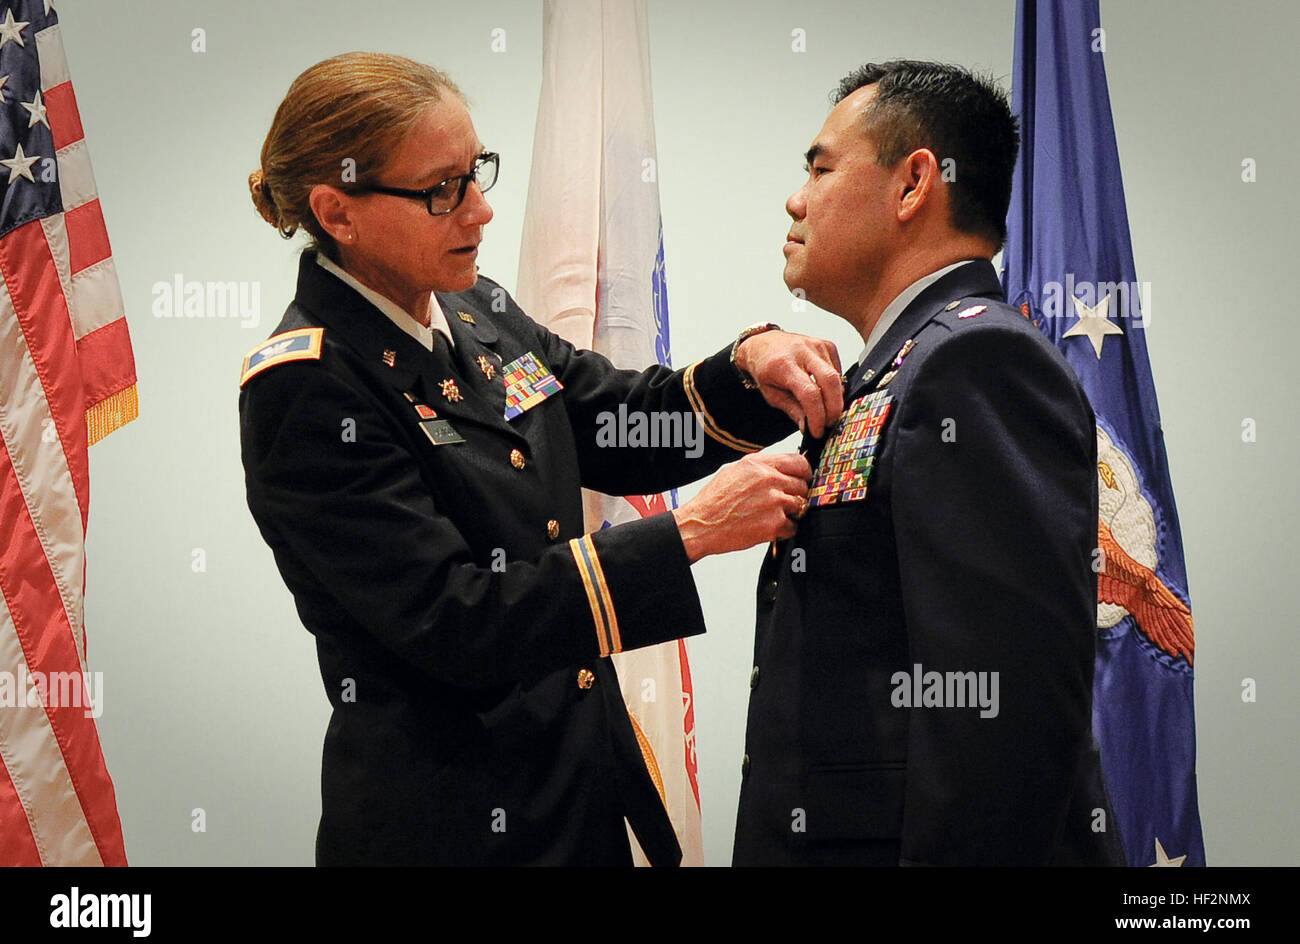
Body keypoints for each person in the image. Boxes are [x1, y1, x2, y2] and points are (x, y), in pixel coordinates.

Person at [239, 52, 843, 866]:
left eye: (477, 171)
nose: (481, 211)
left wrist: (749, 369)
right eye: (441, 189)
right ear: (336, 212)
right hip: (450, 825)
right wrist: (687, 535)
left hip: (578, 792)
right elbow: (459, 618)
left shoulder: (473, 308)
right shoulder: (308, 383)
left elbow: (621, 420)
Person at [732, 60, 1128, 866]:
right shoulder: (895, 372)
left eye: (819, 167)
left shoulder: (973, 360)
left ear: (915, 184)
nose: (795, 198)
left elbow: (1002, 720)